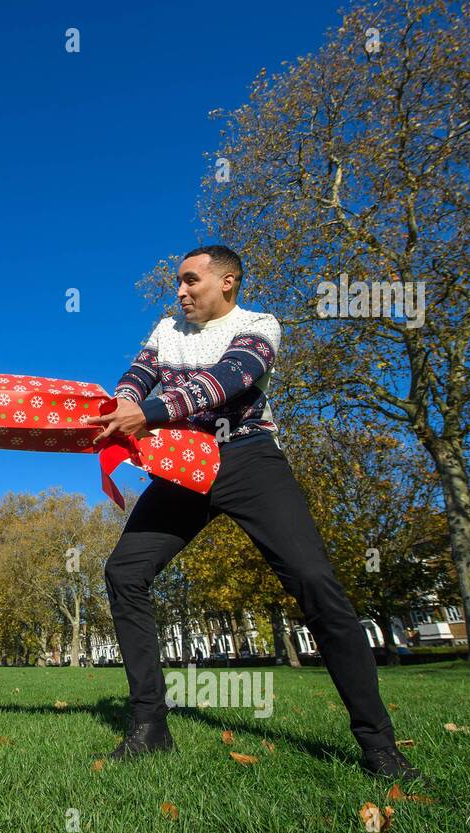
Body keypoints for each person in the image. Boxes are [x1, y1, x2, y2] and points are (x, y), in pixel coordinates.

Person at [86, 246, 422, 781]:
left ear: (228, 281)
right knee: (125, 571)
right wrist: (119, 407)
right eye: (179, 282)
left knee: (315, 581)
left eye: (191, 281)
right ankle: (150, 727)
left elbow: (225, 381)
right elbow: (137, 377)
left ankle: (379, 744)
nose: (181, 291)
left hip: (248, 461)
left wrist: (143, 413)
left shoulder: (259, 324)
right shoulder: (166, 329)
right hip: (184, 464)